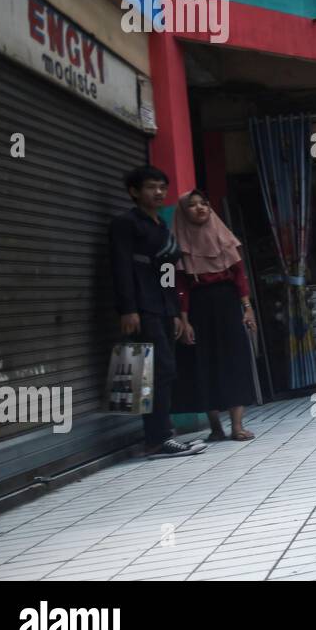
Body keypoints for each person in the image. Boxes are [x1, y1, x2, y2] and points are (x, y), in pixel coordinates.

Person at [108, 166, 205, 459]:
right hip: (141, 307)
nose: (159, 192)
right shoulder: (125, 224)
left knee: (163, 370)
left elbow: (166, 271)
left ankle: (162, 435)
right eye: (151, 187)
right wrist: (128, 309)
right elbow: (121, 267)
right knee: (154, 371)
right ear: (134, 191)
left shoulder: (160, 226)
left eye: (162, 187)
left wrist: (174, 310)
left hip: (162, 307)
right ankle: (158, 438)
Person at [174, 189, 259, 441]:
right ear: (182, 212)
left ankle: (237, 426)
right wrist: (184, 319)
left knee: (234, 359)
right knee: (202, 363)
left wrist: (247, 308)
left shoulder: (224, 237)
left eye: (204, 203)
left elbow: (239, 276)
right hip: (198, 307)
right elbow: (178, 285)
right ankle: (215, 428)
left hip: (227, 304)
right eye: (193, 205)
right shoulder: (175, 245)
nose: (200, 208)